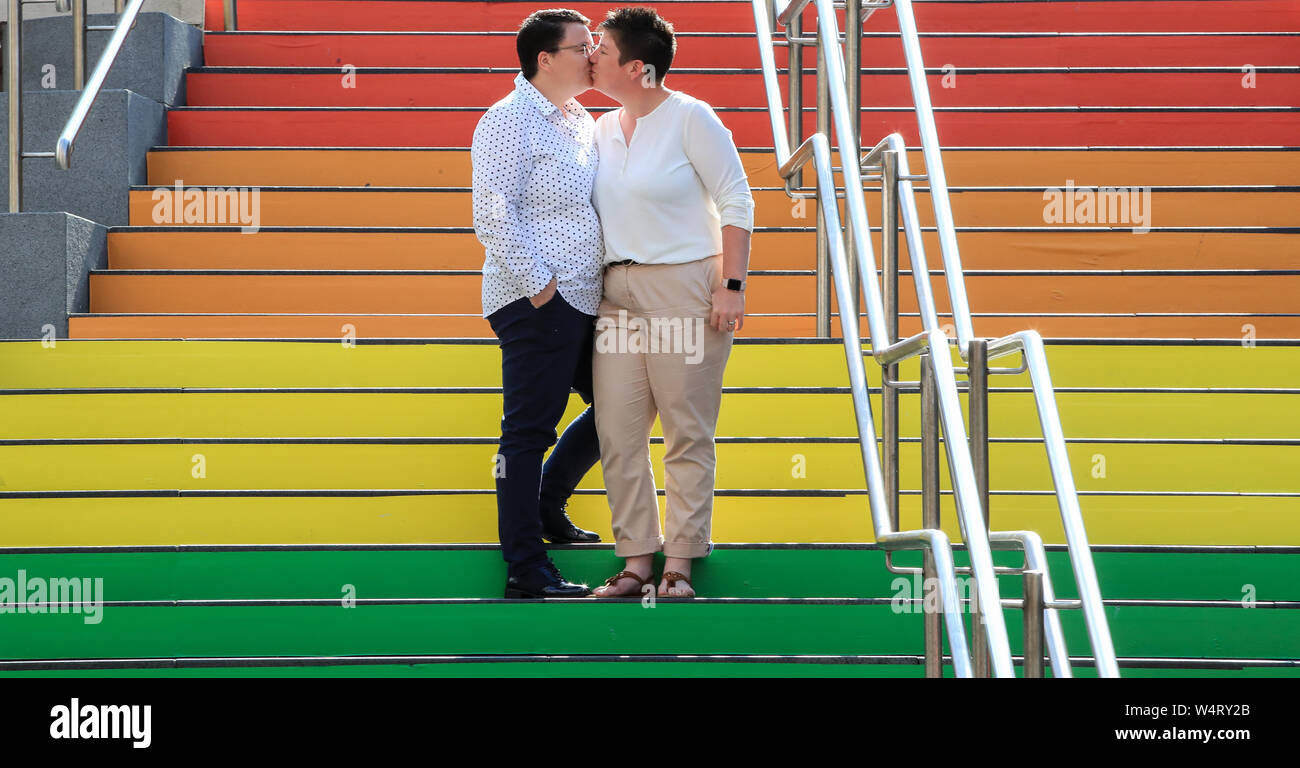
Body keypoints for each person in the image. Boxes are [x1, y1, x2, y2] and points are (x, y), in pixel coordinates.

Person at [585, 7, 754, 599]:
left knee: (685, 429)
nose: (590, 56)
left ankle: (679, 560)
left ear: (636, 66)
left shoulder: (691, 118)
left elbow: (737, 200)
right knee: (618, 429)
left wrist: (730, 286)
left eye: (601, 49)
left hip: (683, 287)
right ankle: (635, 561)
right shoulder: (600, 128)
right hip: (617, 295)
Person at [471, 8, 606, 599]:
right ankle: (526, 567)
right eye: (581, 46)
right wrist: (541, 286)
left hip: (584, 296)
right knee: (527, 433)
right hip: (537, 301)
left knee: (623, 405)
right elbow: (491, 214)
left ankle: (549, 503)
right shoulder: (508, 119)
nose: (593, 53)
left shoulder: (580, 120)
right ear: (544, 59)